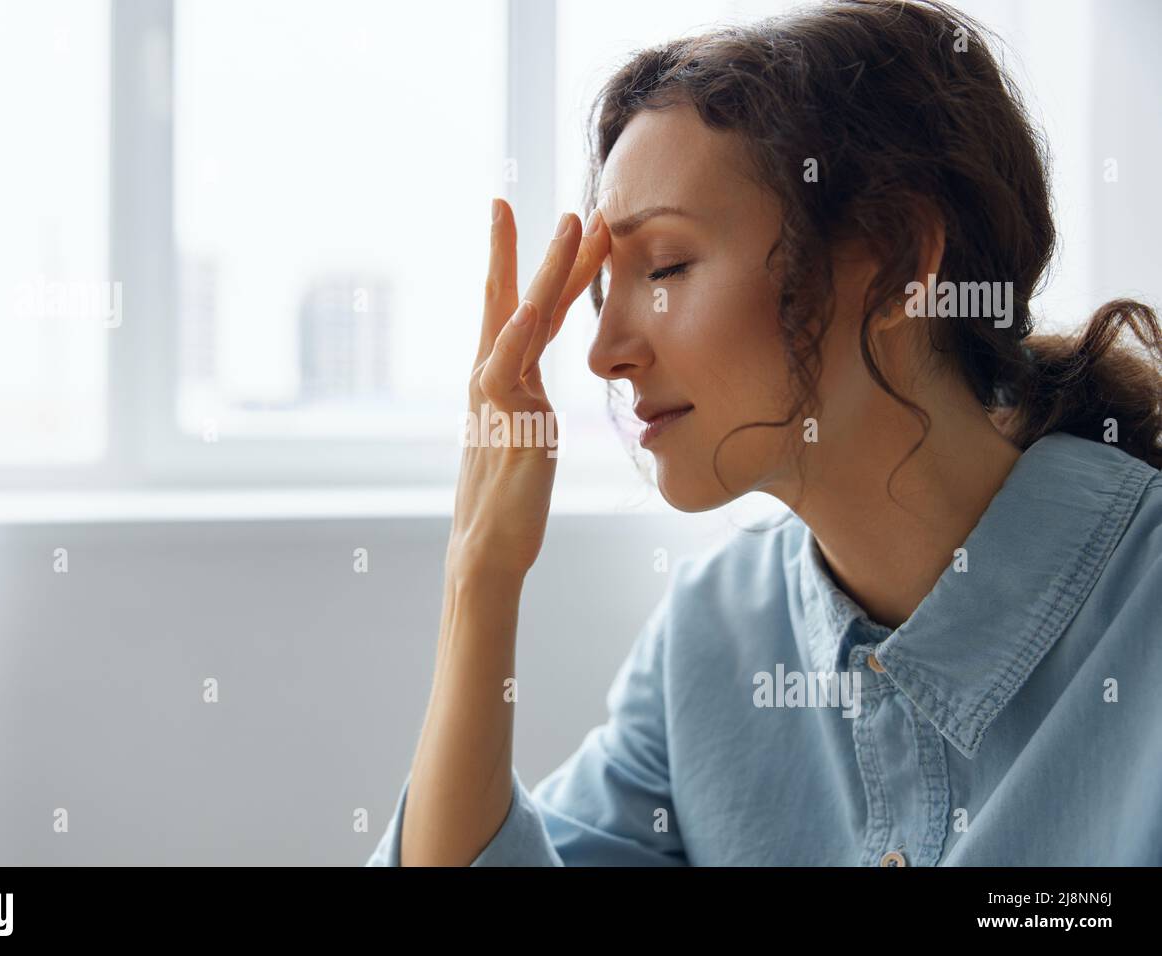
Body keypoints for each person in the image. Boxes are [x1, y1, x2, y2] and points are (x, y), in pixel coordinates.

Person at [367, 0, 1162, 866]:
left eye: (666, 268)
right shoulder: (711, 639)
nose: (600, 354)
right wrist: (479, 574)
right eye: (605, 290)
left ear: (898, 263)